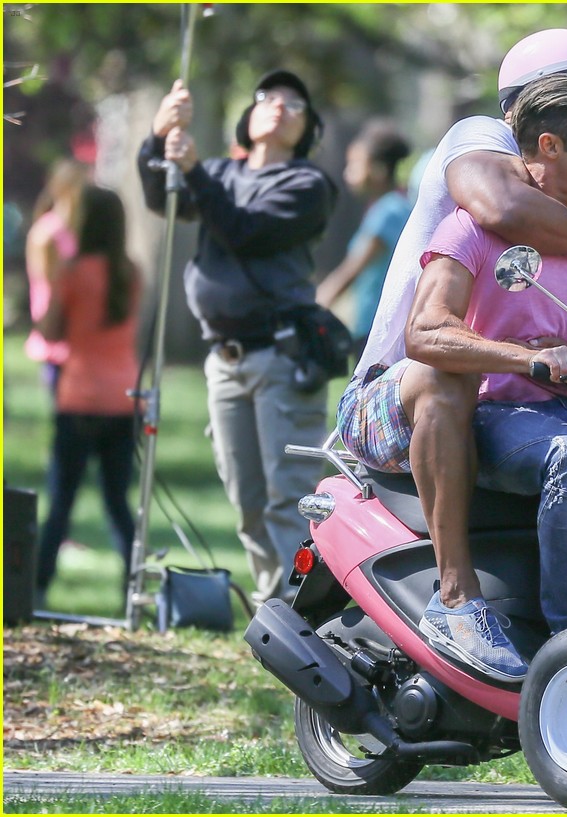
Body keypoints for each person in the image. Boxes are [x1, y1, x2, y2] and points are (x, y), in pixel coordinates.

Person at [342, 30, 567, 681]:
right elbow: (503, 205)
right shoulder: (478, 139)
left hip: (499, 387)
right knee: (447, 376)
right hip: (391, 387)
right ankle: (455, 600)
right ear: (528, 110)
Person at [137, 70, 336, 606]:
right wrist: (158, 140)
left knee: (288, 495)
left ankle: (304, 615)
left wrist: (193, 170)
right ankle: (276, 605)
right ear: (248, 118)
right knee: (245, 497)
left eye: (295, 103)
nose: (279, 106)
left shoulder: (307, 186)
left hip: (281, 355)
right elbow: (163, 197)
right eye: (269, 97)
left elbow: (246, 230)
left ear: (308, 128)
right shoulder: (220, 173)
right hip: (223, 360)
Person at [34, 185, 141, 608]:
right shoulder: (131, 273)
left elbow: (50, 331)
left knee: (61, 500)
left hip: (79, 395)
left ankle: (38, 586)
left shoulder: (72, 271)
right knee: (118, 502)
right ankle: (131, 590)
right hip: (123, 396)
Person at [315, 120, 413, 358]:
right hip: (379, 326)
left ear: (378, 170)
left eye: (355, 165)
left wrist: (317, 303)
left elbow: (353, 268)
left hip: (378, 329)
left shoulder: (388, 211)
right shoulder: (392, 206)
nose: (347, 173)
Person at [24, 159, 88, 396]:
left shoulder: (77, 230)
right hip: (57, 329)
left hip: (77, 331)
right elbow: (50, 282)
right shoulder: (47, 233)